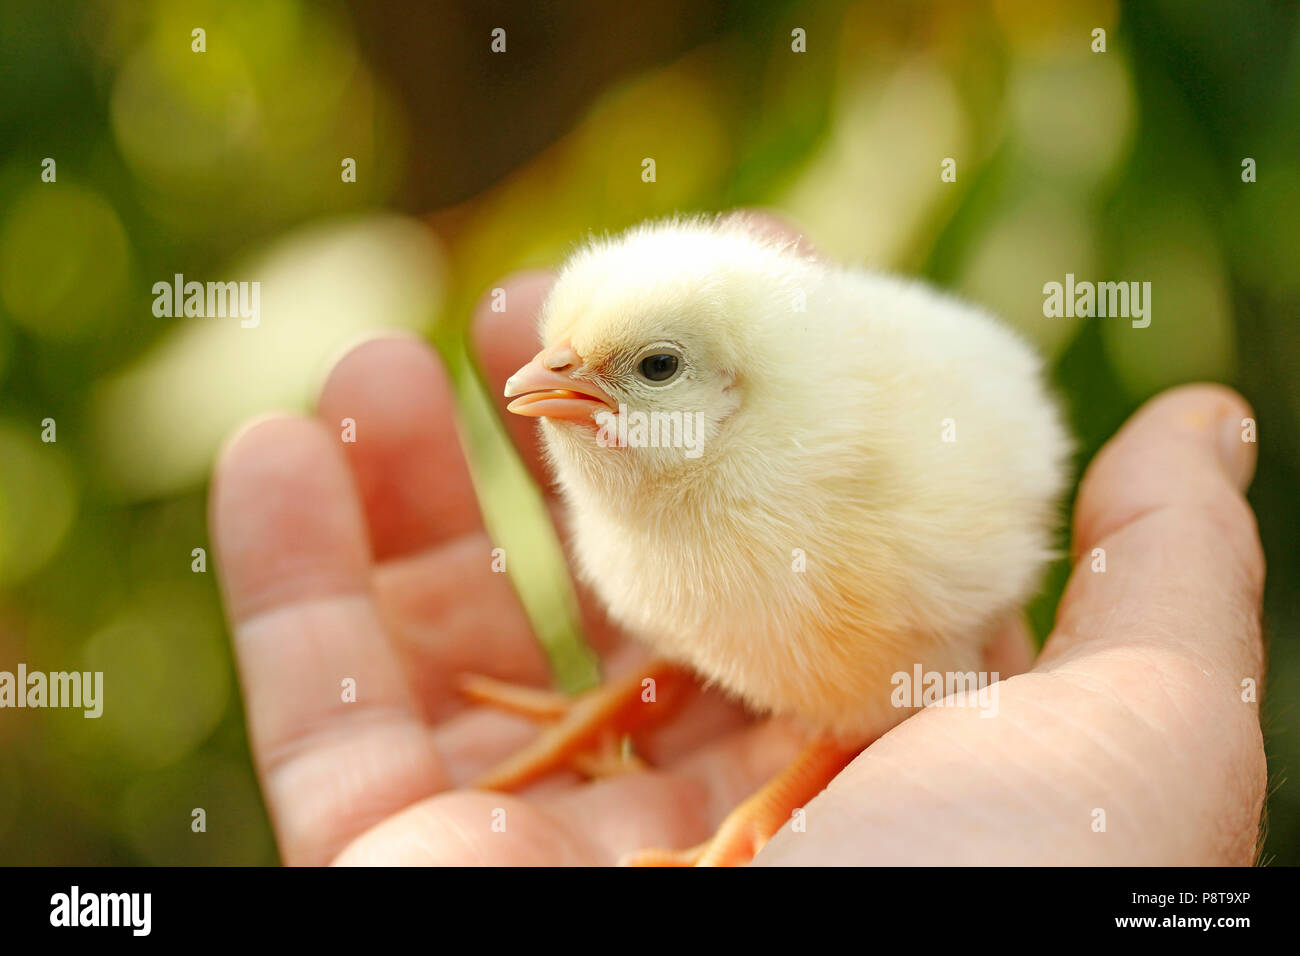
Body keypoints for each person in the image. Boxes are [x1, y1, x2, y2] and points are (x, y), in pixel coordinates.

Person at [210, 234, 1266, 867]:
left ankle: (728, 755)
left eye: (651, 366)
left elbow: (899, 681)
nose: (544, 383)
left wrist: (770, 814)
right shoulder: (659, 485)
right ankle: (649, 687)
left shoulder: (852, 514)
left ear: (735, 389)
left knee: (844, 663)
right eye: (568, 355)